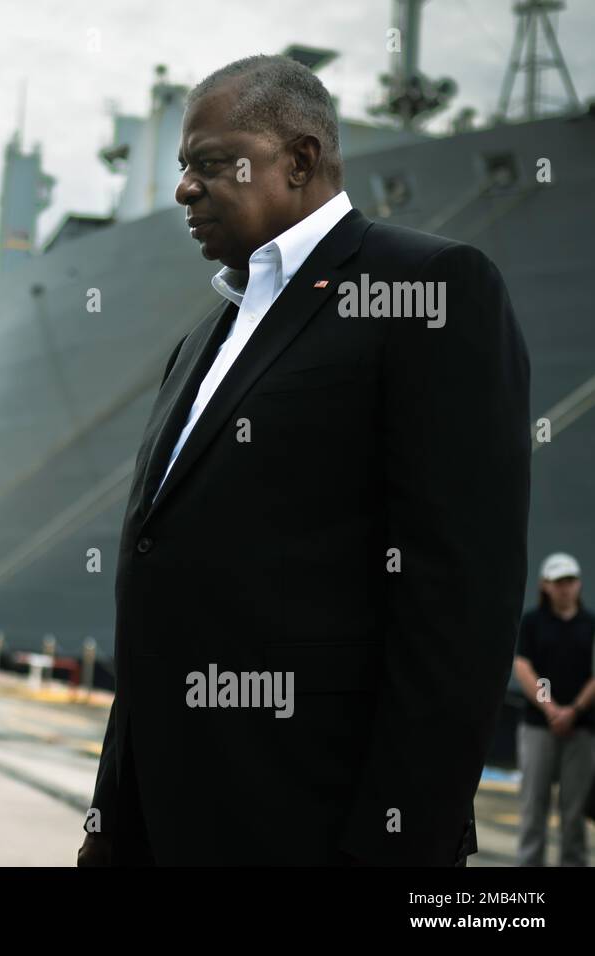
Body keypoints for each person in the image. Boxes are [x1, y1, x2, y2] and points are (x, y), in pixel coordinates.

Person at [78, 54, 530, 866]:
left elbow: (459, 608)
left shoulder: (429, 287)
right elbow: (160, 584)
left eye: (211, 164)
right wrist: (113, 820)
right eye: (182, 166)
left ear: (301, 159)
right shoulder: (198, 344)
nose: (183, 188)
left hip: (309, 830)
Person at [514, 552, 595, 866]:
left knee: (573, 812)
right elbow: (523, 667)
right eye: (559, 581)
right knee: (533, 807)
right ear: (545, 585)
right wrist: (551, 709)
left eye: (570, 580)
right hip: (538, 727)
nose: (565, 587)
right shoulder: (533, 623)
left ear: (579, 583)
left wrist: (573, 710)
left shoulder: (590, 625)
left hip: (582, 728)